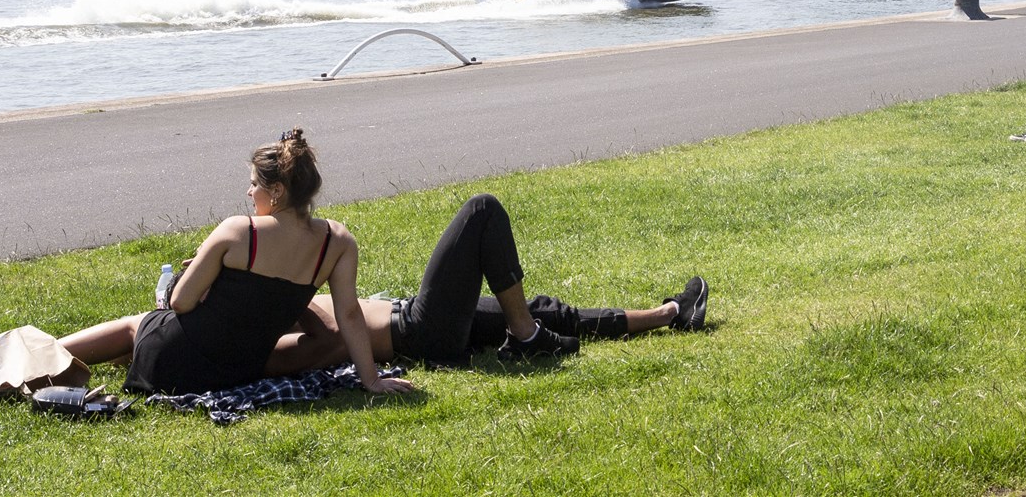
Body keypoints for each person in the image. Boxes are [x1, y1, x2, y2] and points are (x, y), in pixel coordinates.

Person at [57, 130, 415, 397]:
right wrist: (371, 379)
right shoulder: (337, 241)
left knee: (136, 327)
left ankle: (44, 358)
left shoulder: (239, 231)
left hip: (172, 364)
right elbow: (349, 314)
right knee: (146, 332)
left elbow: (181, 303)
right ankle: (62, 359)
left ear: (275, 191)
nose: (249, 193)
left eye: (253, 184)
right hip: (237, 371)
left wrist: (203, 267)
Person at [263, 194, 709, 374]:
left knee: (546, 309)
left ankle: (671, 314)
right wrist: (286, 292)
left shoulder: (258, 308)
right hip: (419, 332)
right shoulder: (255, 345)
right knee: (482, 212)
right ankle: (526, 334)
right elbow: (327, 339)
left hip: (414, 315)